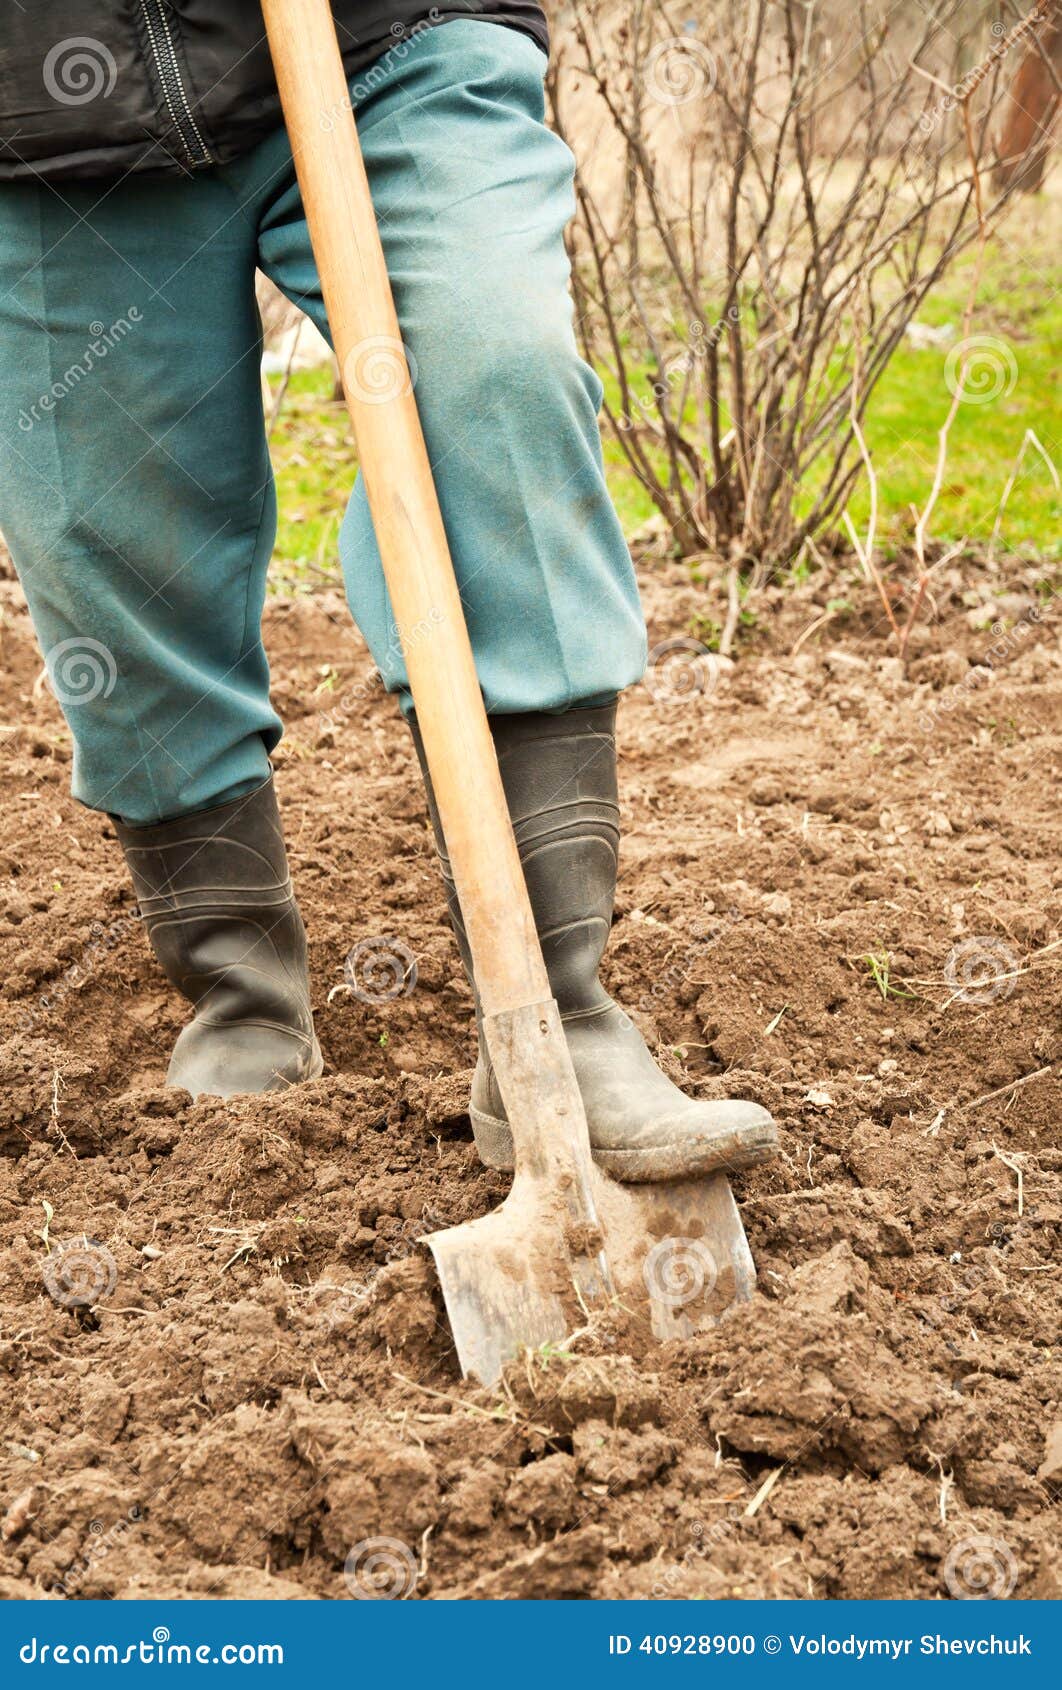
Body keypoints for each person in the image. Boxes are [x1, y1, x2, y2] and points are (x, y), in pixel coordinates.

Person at [0, 3, 776, 1180]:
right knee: (103, 536)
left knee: (491, 374)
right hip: (51, 116)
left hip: (388, 41)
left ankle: (556, 1016)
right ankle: (242, 997)